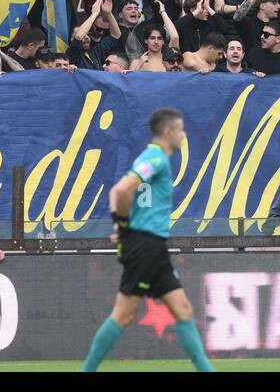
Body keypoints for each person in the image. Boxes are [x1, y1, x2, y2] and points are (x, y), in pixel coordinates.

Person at [81, 108, 214, 372]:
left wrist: (123, 226)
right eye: (181, 130)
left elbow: (122, 192)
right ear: (168, 132)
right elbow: (120, 190)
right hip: (145, 246)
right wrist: (122, 226)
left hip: (151, 245)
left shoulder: (148, 157)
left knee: (183, 310)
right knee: (123, 314)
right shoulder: (157, 159)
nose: (184, 135)